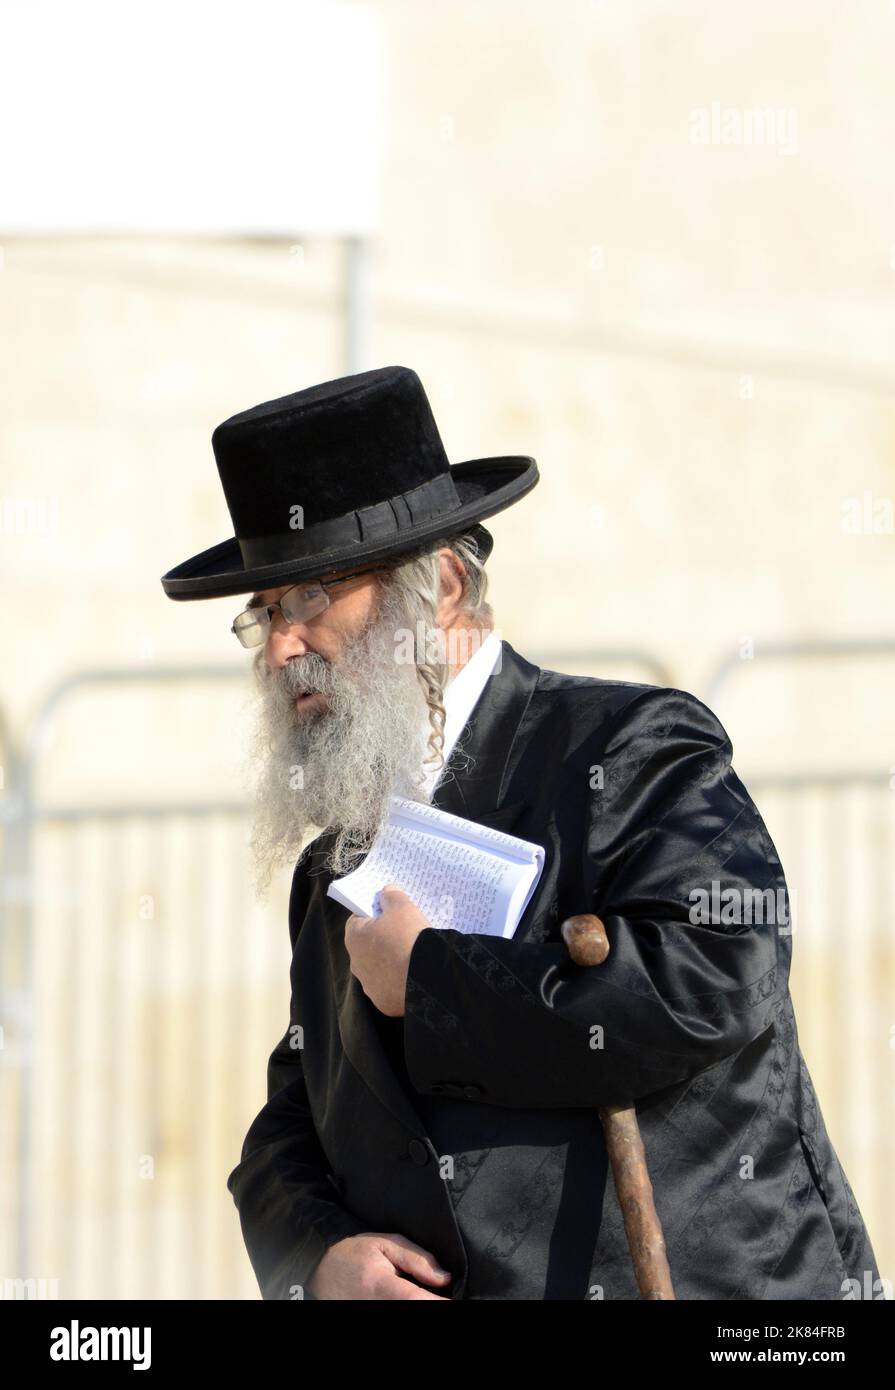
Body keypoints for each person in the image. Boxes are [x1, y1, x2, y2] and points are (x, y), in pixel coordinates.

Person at [161, 365, 882, 1300]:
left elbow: (718, 977)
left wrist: (432, 981)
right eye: (264, 616)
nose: (283, 645)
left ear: (445, 586)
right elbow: (294, 1118)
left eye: (310, 600)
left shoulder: (627, 748)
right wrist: (318, 1258)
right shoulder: (334, 859)